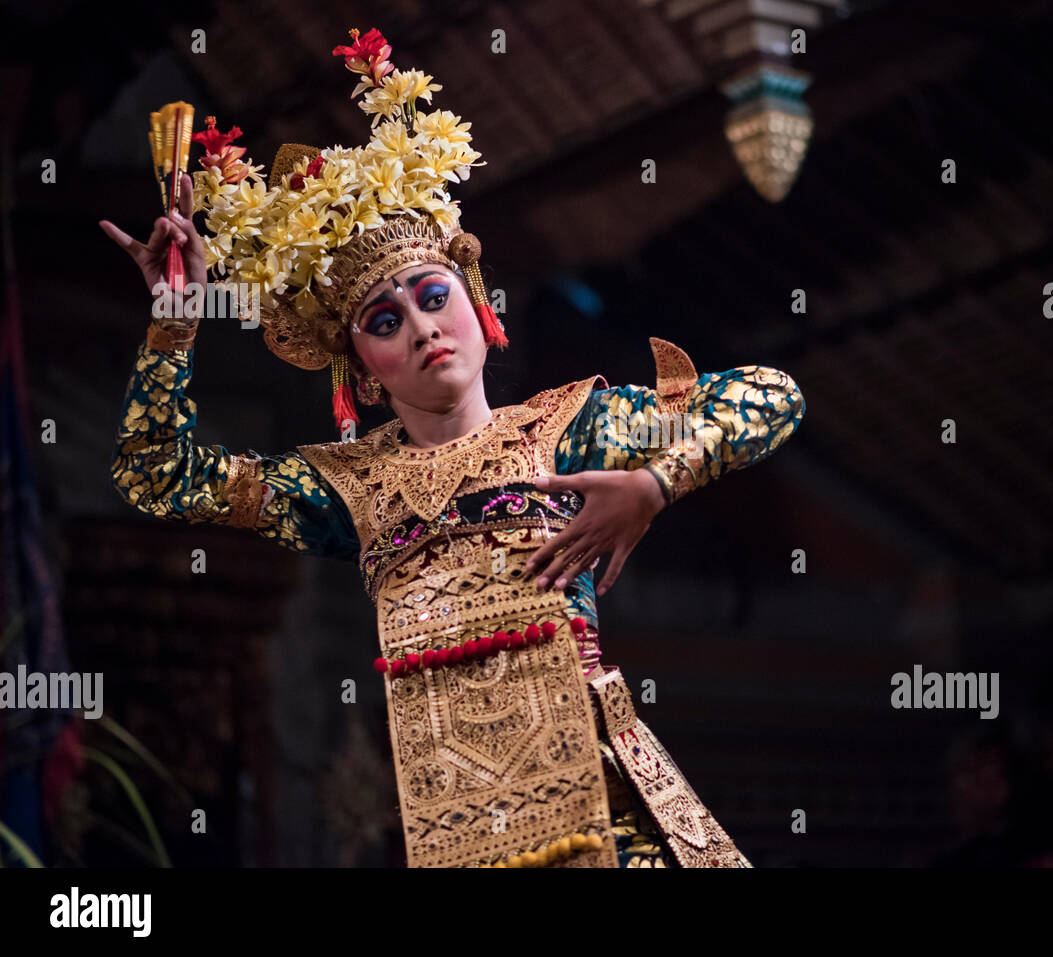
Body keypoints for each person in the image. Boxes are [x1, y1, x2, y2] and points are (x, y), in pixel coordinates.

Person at [100, 27, 805, 868]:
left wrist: (656, 482)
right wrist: (176, 322)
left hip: (605, 812)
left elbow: (773, 393)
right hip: (458, 836)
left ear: (475, 302)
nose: (425, 327)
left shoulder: (571, 426)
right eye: (386, 322)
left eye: (434, 296)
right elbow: (155, 474)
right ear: (360, 370)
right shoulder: (344, 489)